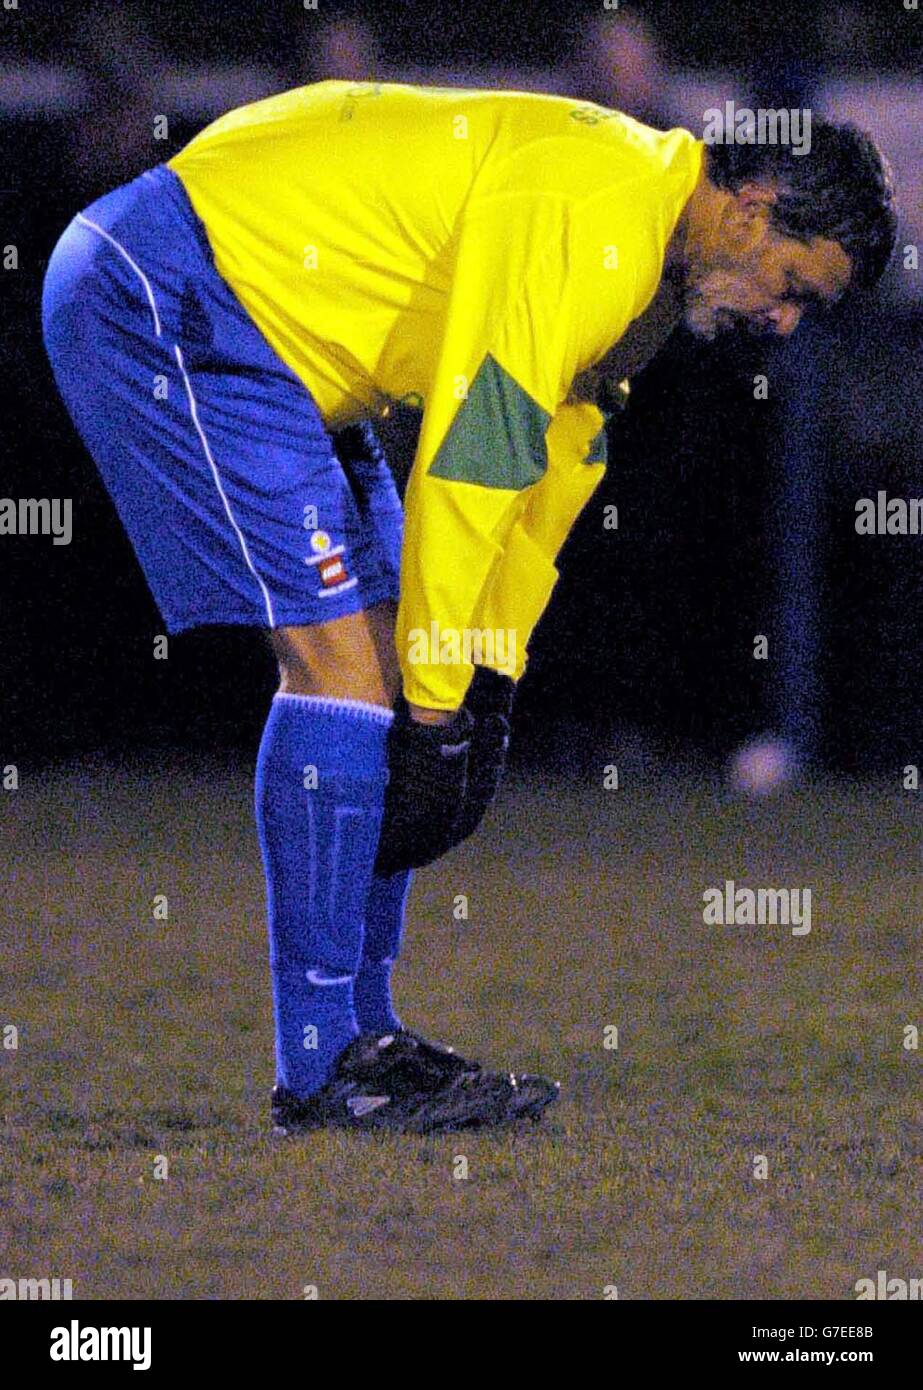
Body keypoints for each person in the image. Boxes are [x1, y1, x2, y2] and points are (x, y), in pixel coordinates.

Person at [41, 81, 895, 1134]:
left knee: (395, 680)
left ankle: (367, 1033)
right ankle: (317, 1069)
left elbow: (552, 465)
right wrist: (441, 713)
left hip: (269, 334)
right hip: (168, 291)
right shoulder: (595, 212)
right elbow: (478, 454)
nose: (780, 319)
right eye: (792, 287)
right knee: (354, 673)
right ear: (753, 206)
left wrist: (485, 676)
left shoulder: (646, 248)